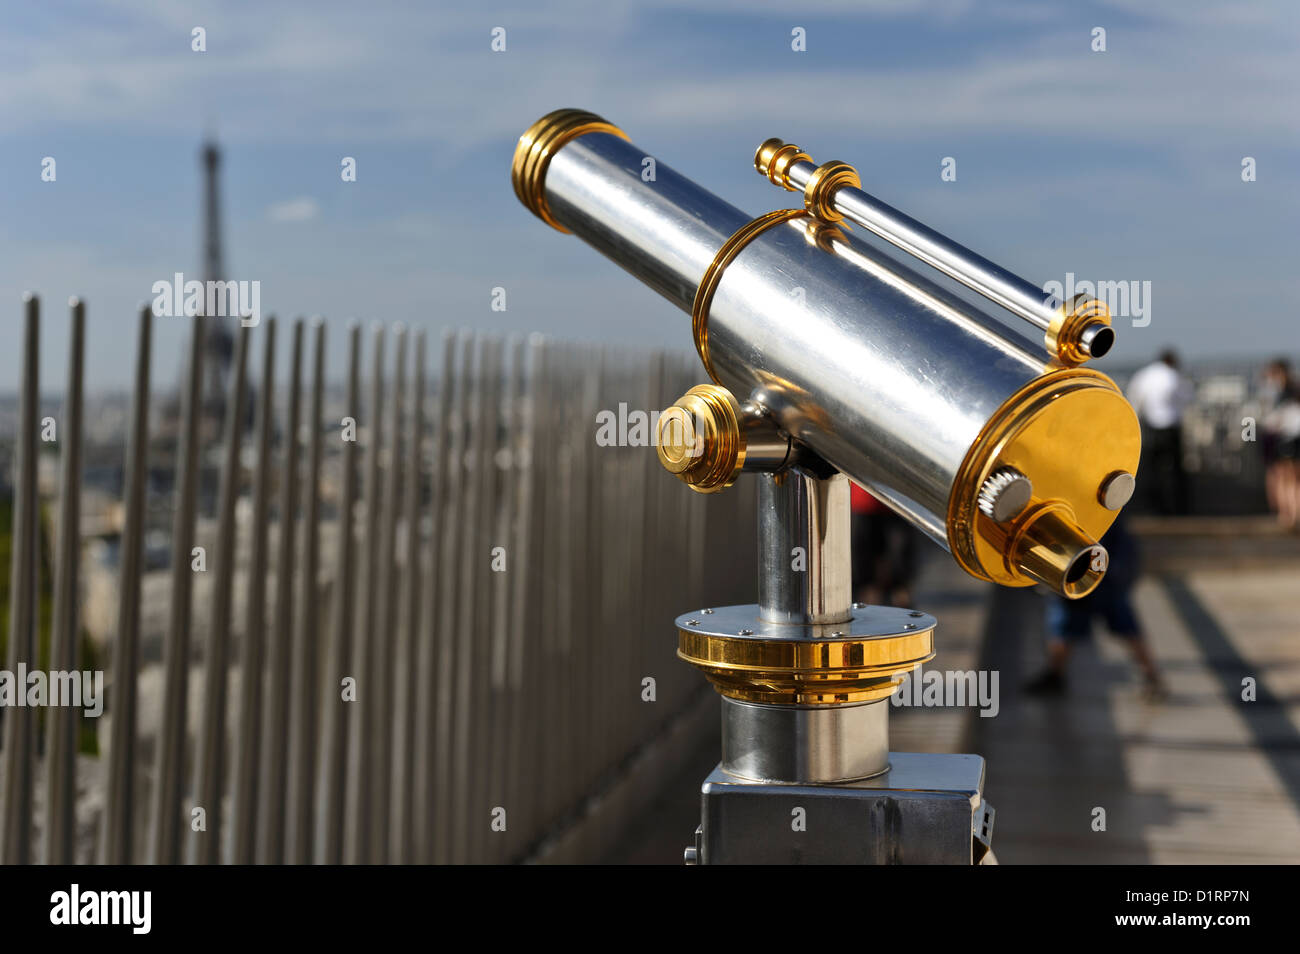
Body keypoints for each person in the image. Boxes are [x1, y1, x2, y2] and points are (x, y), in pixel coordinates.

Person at [1024, 514, 1165, 701]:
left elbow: (1121, 548)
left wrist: (1115, 576)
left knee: (1127, 629)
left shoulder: (1106, 513)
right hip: (1075, 575)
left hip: (1104, 579)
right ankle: (1055, 675)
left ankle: (1152, 677)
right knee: (1063, 630)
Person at [1127, 349, 1194, 515]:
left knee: (1151, 470)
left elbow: (1135, 400)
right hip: (1171, 428)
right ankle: (1179, 507)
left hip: (1151, 429)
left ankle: (1154, 507)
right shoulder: (1174, 376)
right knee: (1176, 470)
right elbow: (1187, 399)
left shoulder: (1145, 375)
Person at [850, 482, 917, 607]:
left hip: (898, 499)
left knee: (900, 567)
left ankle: (902, 608)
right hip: (864, 499)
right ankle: (867, 609)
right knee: (864, 575)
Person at [1260, 358, 1300, 530]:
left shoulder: (1284, 393)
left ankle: (1288, 515)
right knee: (1289, 479)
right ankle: (1290, 514)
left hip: (1287, 438)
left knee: (1289, 478)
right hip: (1288, 438)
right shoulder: (1289, 390)